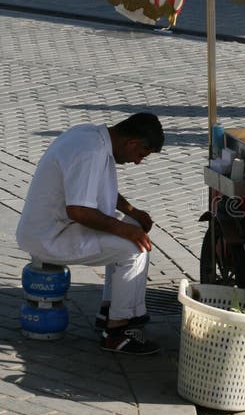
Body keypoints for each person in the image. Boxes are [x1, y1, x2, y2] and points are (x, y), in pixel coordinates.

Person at [16, 113, 165, 355]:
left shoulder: (91, 135)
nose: (138, 162)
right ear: (132, 143)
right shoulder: (91, 153)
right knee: (134, 249)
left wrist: (132, 212)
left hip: (55, 227)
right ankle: (118, 331)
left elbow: (94, 189)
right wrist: (124, 229)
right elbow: (78, 211)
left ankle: (109, 311)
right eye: (141, 155)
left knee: (131, 231)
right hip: (50, 236)